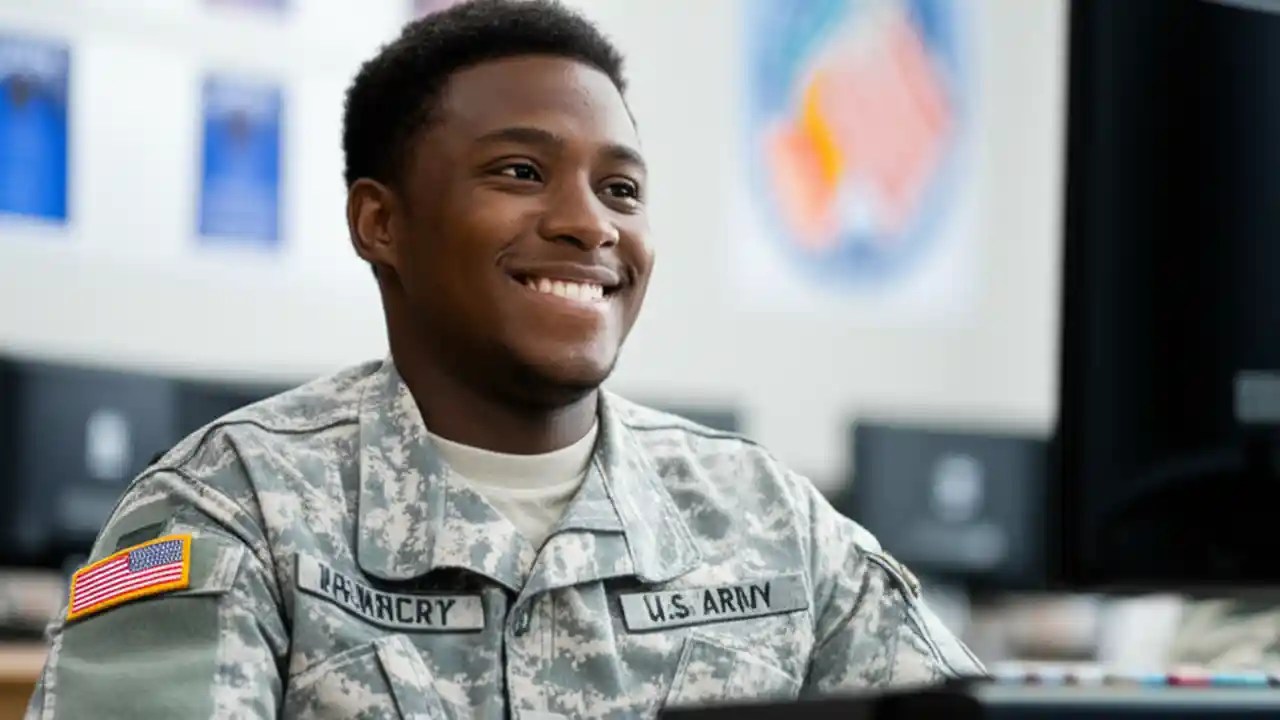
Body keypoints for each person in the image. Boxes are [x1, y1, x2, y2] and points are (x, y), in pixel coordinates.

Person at [25, 1, 984, 717]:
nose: (587, 223)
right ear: (381, 222)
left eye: (620, 188)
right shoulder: (233, 509)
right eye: (520, 172)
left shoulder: (771, 521)